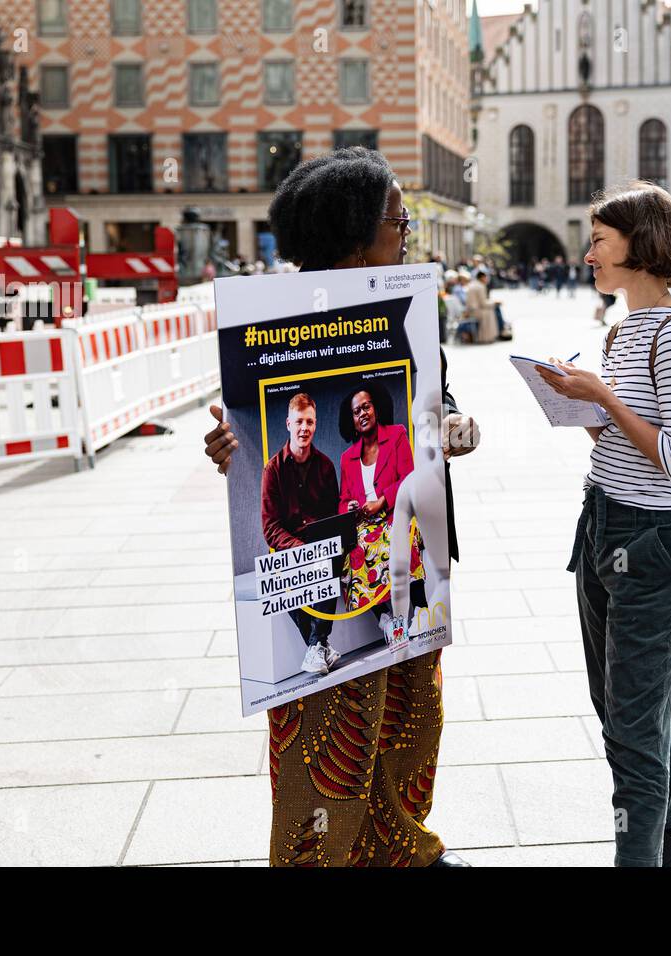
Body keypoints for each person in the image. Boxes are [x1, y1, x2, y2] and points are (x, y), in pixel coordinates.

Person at [201, 147, 471, 867]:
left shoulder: (409, 304)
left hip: (408, 561)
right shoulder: (273, 317)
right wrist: (229, 448)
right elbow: (243, 420)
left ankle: (405, 852)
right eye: (396, 219)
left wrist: (453, 424)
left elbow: (434, 399)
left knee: (413, 720)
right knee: (327, 734)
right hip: (325, 574)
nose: (407, 227)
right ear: (355, 238)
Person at [537, 182, 671, 866]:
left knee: (632, 724)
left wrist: (602, 395)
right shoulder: (622, 332)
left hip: (654, 541)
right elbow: (624, 443)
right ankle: (664, 849)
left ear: (640, 247)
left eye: (600, 243)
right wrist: (581, 408)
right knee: (624, 707)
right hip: (602, 525)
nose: (588, 255)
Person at [259, 392, 342, 676]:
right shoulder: (272, 470)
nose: (304, 428)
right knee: (277, 580)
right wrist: (299, 549)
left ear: (316, 425)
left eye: (310, 422)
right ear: (288, 423)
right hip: (289, 549)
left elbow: (333, 518)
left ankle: (316, 646)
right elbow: (270, 528)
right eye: (299, 421)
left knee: (330, 560)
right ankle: (320, 645)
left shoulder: (326, 467)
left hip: (321, 548)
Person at [336, 385, 425, 645]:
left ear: (376, 409)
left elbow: (410, 478)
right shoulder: (347, 458)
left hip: (395, 512)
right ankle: (385, 621)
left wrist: (383, 500)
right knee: (353, 552)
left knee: (398, 533)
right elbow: (343, 501)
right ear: (351, 420)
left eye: (366, 407)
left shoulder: (397, 435)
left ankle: (420, 609)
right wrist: (351, 507)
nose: (362, 413)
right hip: (364, 524)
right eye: (356, 411)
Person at [465, 268, 497, 343]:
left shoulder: (473, 284)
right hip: (476, 311)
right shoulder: (480, 286)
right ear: (482, 277)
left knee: (490, 310)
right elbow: (483, 303)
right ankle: (486, 338)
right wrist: (494, 303)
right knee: (490, 312)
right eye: (486, 277)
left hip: (471, 310)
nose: (487, 279)